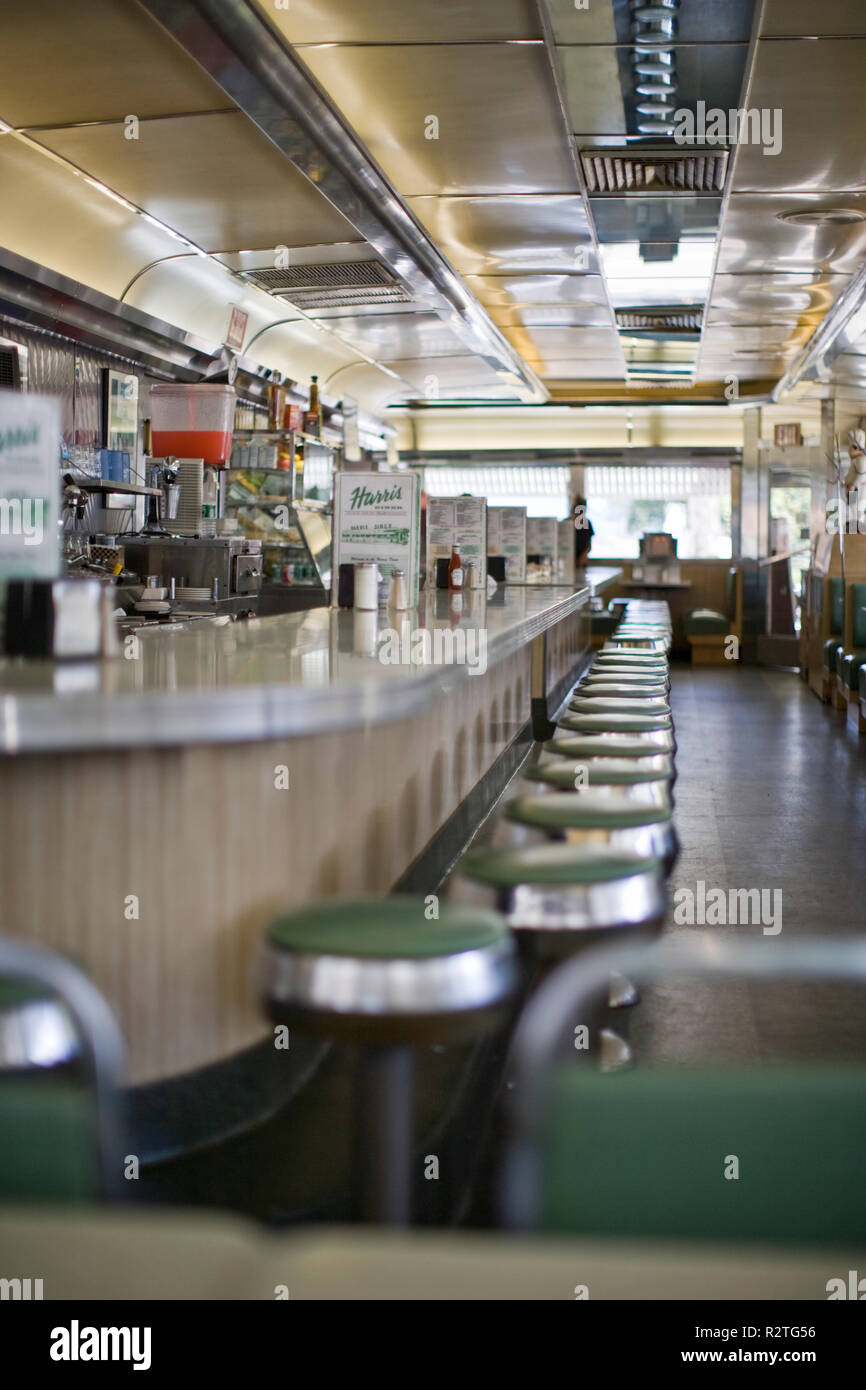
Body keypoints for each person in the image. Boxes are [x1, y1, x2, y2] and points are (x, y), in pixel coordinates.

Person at [573, 495, 594, 570]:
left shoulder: (587, 524)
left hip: (582, 563)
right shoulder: (567, 524)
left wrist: (583, 556)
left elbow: (589, 545)